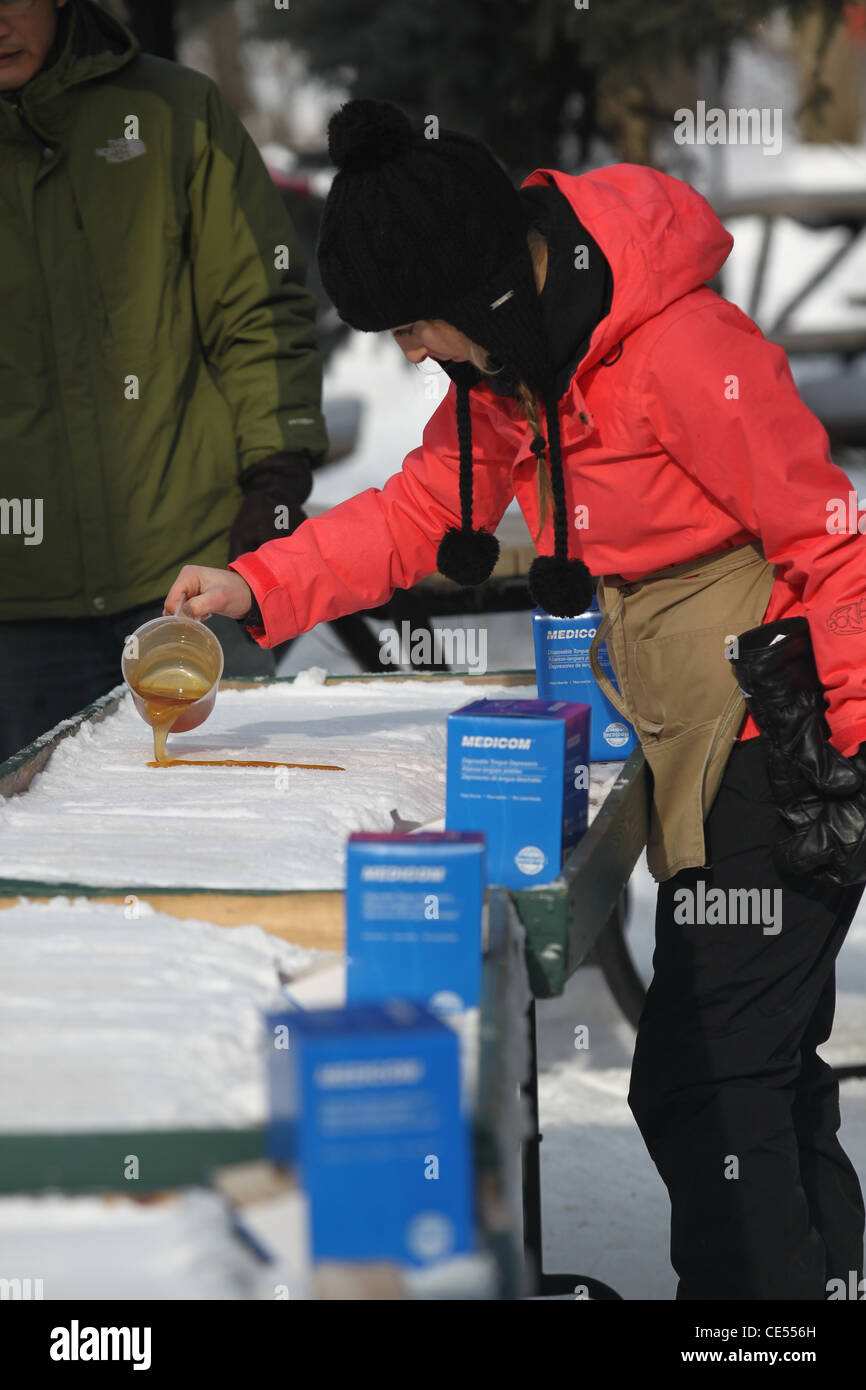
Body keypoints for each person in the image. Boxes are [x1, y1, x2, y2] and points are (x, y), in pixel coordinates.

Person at [165, 98, 866, 1300]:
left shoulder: (679, 351)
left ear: (487, 287)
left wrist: (845, 753)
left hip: (779, 730)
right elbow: (411, 514)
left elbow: (832, 537)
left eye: (417, 324)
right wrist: (255, 582)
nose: (409, 354)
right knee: (762, 1068)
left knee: (706, 1084)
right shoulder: (514, 376)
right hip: (688, 725)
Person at [0, 0, 326, 763]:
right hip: (14, 611)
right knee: (33, 871)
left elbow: (258, 305)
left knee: (223, 835)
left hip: (191, 575)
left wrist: (274, 473)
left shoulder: (175, 113)